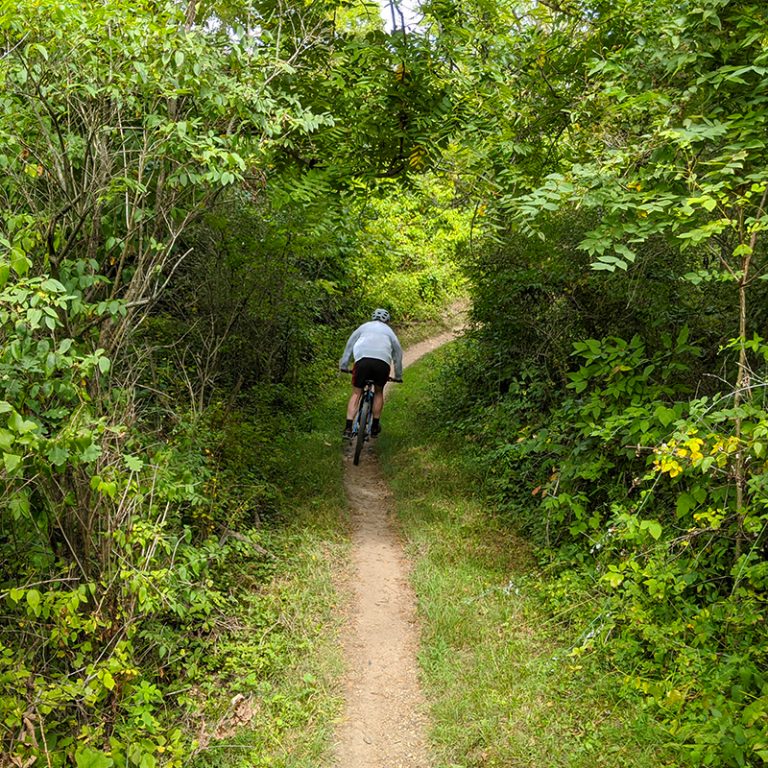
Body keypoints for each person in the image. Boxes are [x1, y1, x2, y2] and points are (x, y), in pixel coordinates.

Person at [339, 308, 403, 439]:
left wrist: (344, 365)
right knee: (378, 391)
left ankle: (348, 427)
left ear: (372, 317)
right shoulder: (390, 332)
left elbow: (349, 345)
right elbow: (398, 354)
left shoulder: (363, 327)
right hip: (382, 364)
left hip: (362, 362)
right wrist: (398, 375)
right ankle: (375, 426)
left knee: (357, 393)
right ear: (387, 321)